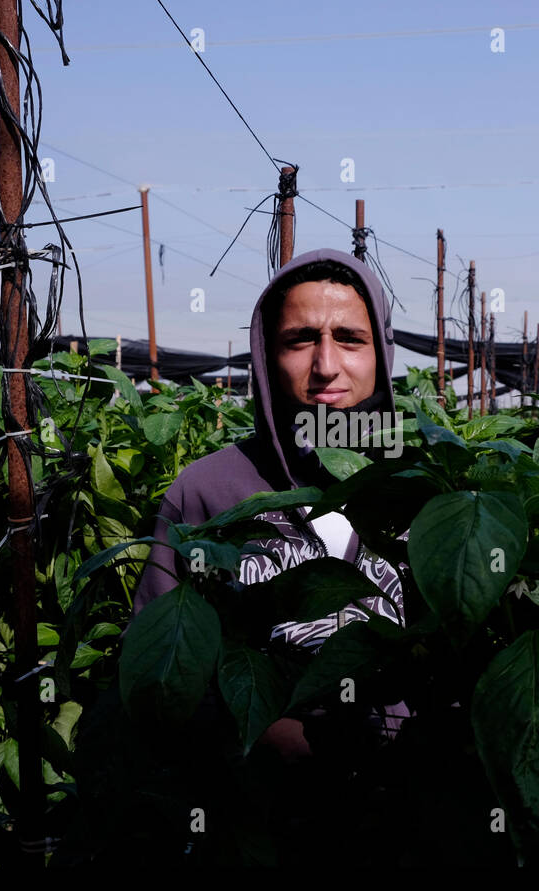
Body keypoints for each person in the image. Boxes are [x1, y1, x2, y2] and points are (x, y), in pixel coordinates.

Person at [130, 248, 410, 762]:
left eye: (350, 339)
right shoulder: (207, 491)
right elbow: (163, 675)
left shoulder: (423, 489)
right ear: (265, 355)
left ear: (382, 354)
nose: (326, 366)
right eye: (300, 340)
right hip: (254, 809)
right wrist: (262, 735)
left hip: (409, 808)